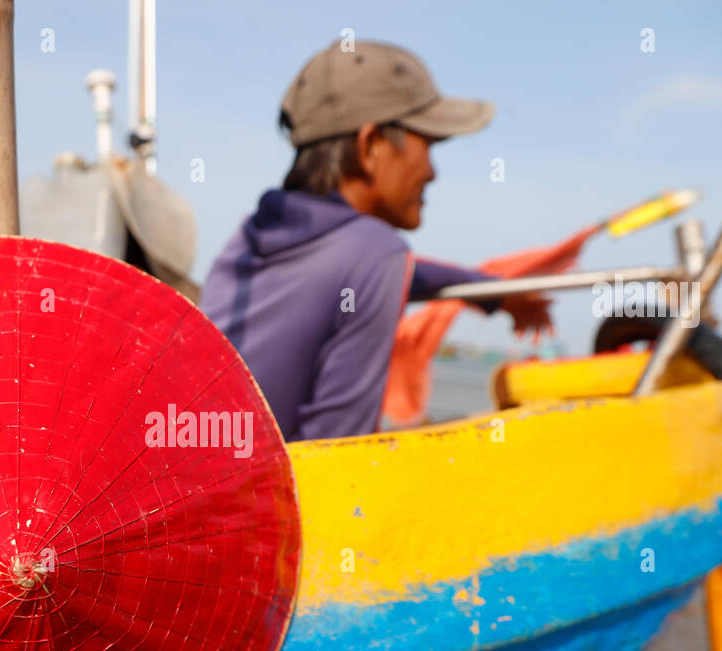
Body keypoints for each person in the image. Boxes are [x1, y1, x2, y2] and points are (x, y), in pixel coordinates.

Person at [200, 39, 553, 442]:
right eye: (430, 144)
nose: (433, 172)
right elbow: (336, 462)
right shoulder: (376, 255)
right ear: (370, 147)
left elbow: (348, 272)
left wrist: (493, 293)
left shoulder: (247, 238)